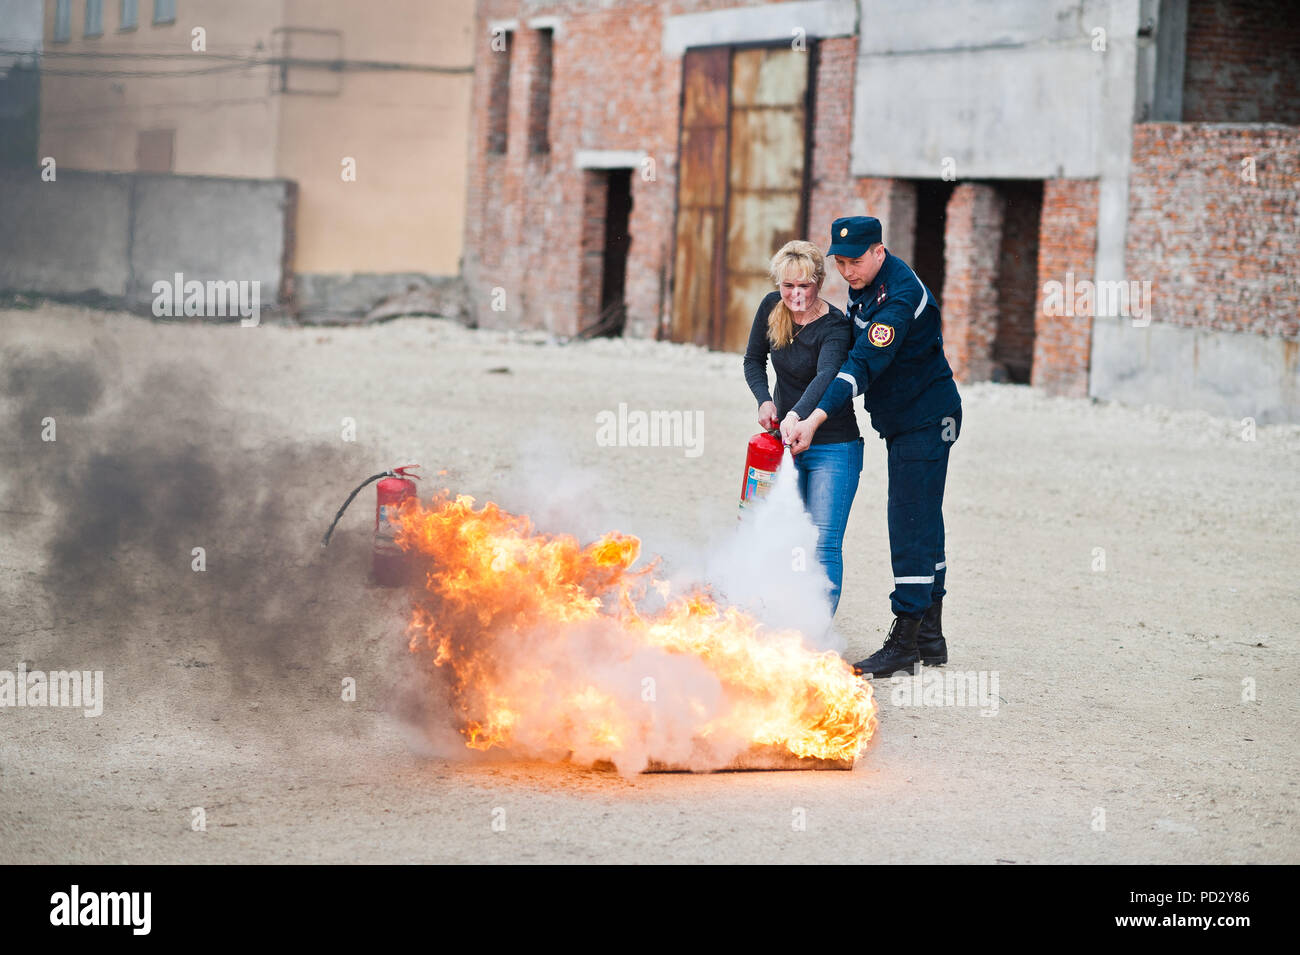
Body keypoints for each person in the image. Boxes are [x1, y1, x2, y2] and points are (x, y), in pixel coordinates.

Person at [786, 216, 962, 677]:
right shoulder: (867, 283)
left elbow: (862, 364)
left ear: (879, 251)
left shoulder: (898, 297)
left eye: (856, 261)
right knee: (925, 518)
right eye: (840, 263)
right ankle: (930, 637)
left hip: (926, 420)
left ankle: (905, 641)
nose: (848, 271)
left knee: (909, 520)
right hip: (906, 419)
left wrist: (815, 418)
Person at [743, 239, 863, 615]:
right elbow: (753, 360)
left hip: (833, 445)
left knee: (822, 543)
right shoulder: (770, 307)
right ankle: (780, 618)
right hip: (785, 444)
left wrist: (795, 414)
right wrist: (764, 400)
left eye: (805, 286)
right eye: (788, 286)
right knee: (779, 535)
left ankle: (817, 631)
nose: (796, 295)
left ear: (820, 283)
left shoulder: (835, 325)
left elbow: (827, 375)